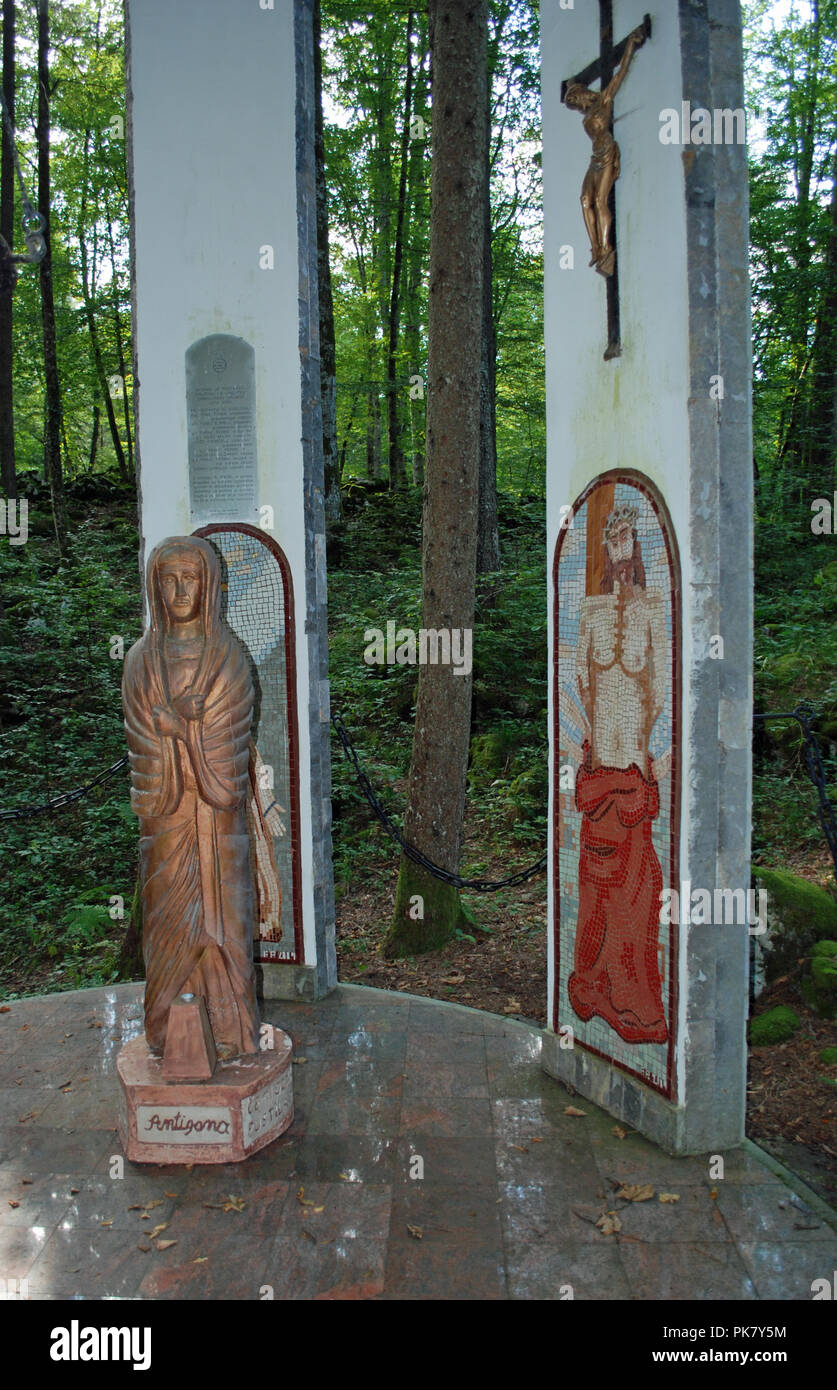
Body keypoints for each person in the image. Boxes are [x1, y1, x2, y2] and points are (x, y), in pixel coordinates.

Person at [122, 536, 261, 1059]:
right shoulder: (139, 661)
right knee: (166, 916)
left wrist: (183, 729)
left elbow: (230, 756)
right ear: (155, 587)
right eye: (168, 579)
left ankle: (231, 1030)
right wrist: (171, 731)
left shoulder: (228, 657)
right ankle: (166, 1029)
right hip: (167, 819)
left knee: (227, 919)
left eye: (191, 579)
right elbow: (141, 739)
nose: (180, 590)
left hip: (218, 826)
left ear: (209, 586)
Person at [569, 503, 668, 1044]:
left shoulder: (654, 606)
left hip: (633, 769)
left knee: (634, 901)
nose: (621, 543)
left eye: (629, 534)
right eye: (613, 535)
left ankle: (633, 1004)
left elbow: (661, 690)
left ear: (638, 544)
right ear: (605, 546)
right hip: (599, 772)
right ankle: (594, 988)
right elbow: (584, 686)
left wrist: (649, 764)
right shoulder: (589, 612)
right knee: (594, 900)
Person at [564, 24, 647, 277]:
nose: (577, 105)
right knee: (584, 200)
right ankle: (596, 249)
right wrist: (569, 83)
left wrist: (631, 44)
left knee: (600, 200)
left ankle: (606, 248)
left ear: (582, 94)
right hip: (595, 157)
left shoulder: (604, 100)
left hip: (608, 150)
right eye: (573, 104)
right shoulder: (586, 113)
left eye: (575, 100)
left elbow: (620, 73)